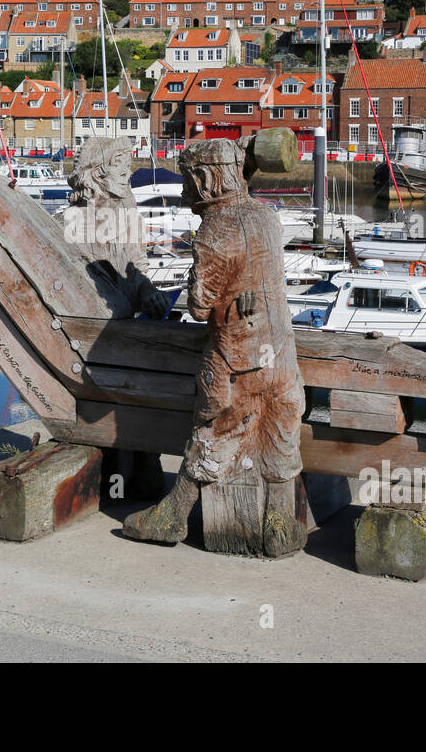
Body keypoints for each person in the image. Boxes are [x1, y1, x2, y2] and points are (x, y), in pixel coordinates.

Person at [122, 138, 306, 557]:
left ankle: (172, 517)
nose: (185, 190)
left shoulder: (215, 229)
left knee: (212, 434)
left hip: (236, 359)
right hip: (280, 354)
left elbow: (201, 306)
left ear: (206, 180)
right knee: (280, 435)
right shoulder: (266, 217)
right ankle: (279, 527)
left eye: (189, 180)